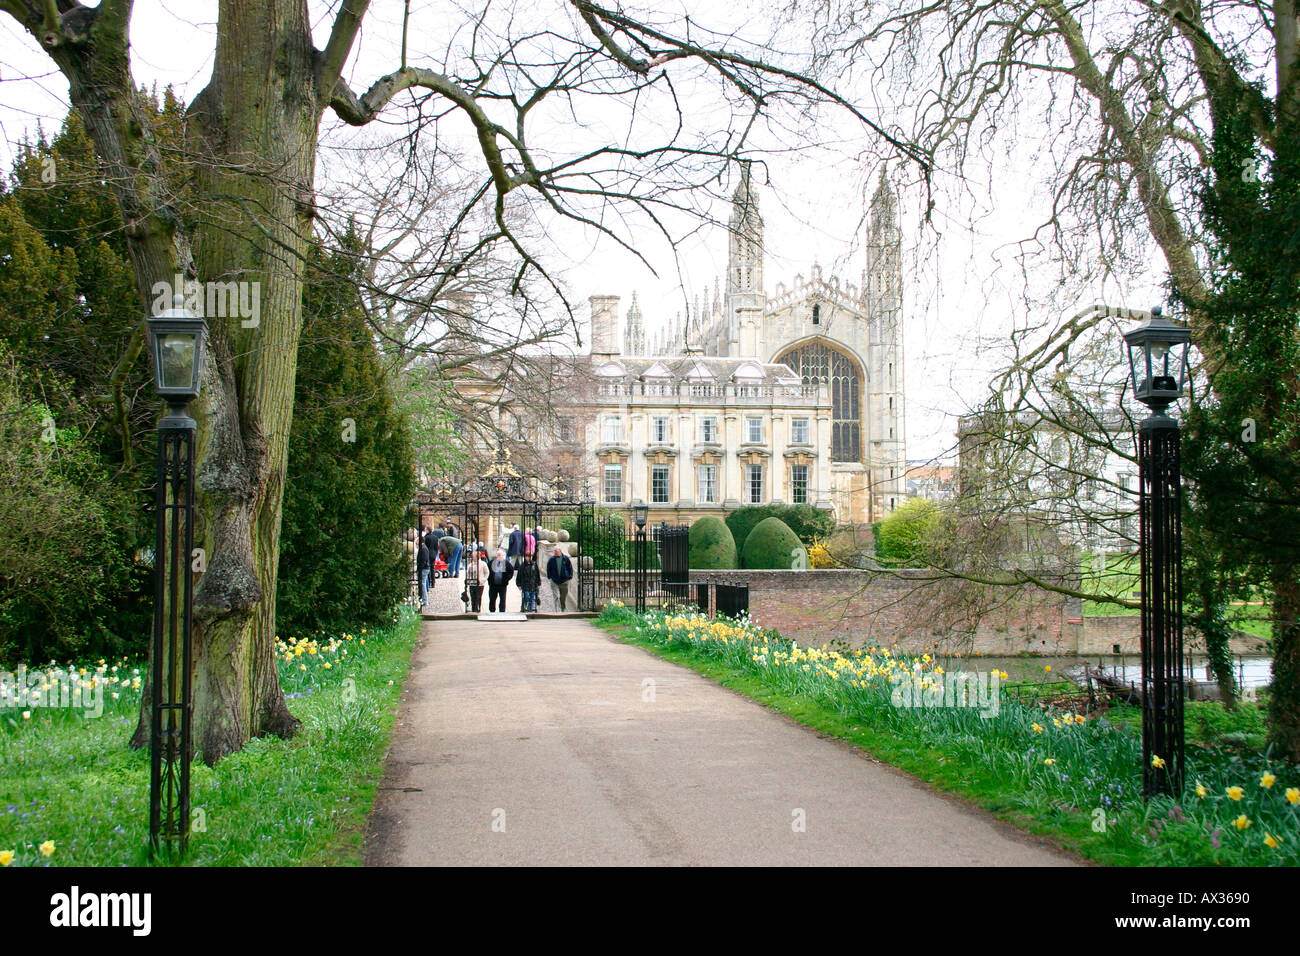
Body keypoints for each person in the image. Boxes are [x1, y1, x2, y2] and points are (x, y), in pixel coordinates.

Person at [546, 545, 574, 612]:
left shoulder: (566, 558)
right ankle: (557, 610)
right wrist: (550, 577)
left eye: (556, 551)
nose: (555, 552)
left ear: (560, 551)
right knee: (556, 596)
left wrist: (569, 576)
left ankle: (562, 608)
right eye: (554, 551)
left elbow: (570, 568)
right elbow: (548, 569)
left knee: (563, 597)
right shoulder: (551, 559)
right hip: (554, 580)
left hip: (564, 581)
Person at [487, 548, 515, 612]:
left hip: (502, 585)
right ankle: (492, 611)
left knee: (502, 599)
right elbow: (487, 572)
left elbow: (511, 572)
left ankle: (502, 611)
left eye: (500, 555)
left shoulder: (506, 563)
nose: (499, 556)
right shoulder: (491, 563)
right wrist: (489, 580)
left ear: (503, 556)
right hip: (493, 585)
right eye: (498, 555)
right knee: (492, 599)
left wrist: (506, 579)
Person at [465, 549, 488, 613]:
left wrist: (483, 580)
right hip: (472, 583)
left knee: (478, 597)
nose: (472, 557)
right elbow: (468, 573)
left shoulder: (483, 564)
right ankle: (473, 610)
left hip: (480, 584)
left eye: (473, 556)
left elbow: (487, 573)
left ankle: (477, 609)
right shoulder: (470, 565)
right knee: (473, 598)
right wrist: (468, 579)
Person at [416, 537, 432, 606]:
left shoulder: (423, 549)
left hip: (424, 569)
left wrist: (420, 568)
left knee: (422, 584)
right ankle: (423, 599)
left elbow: (424, 560)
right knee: (423, 583)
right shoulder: (423, 548)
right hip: (424, 568)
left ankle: (424, 600)